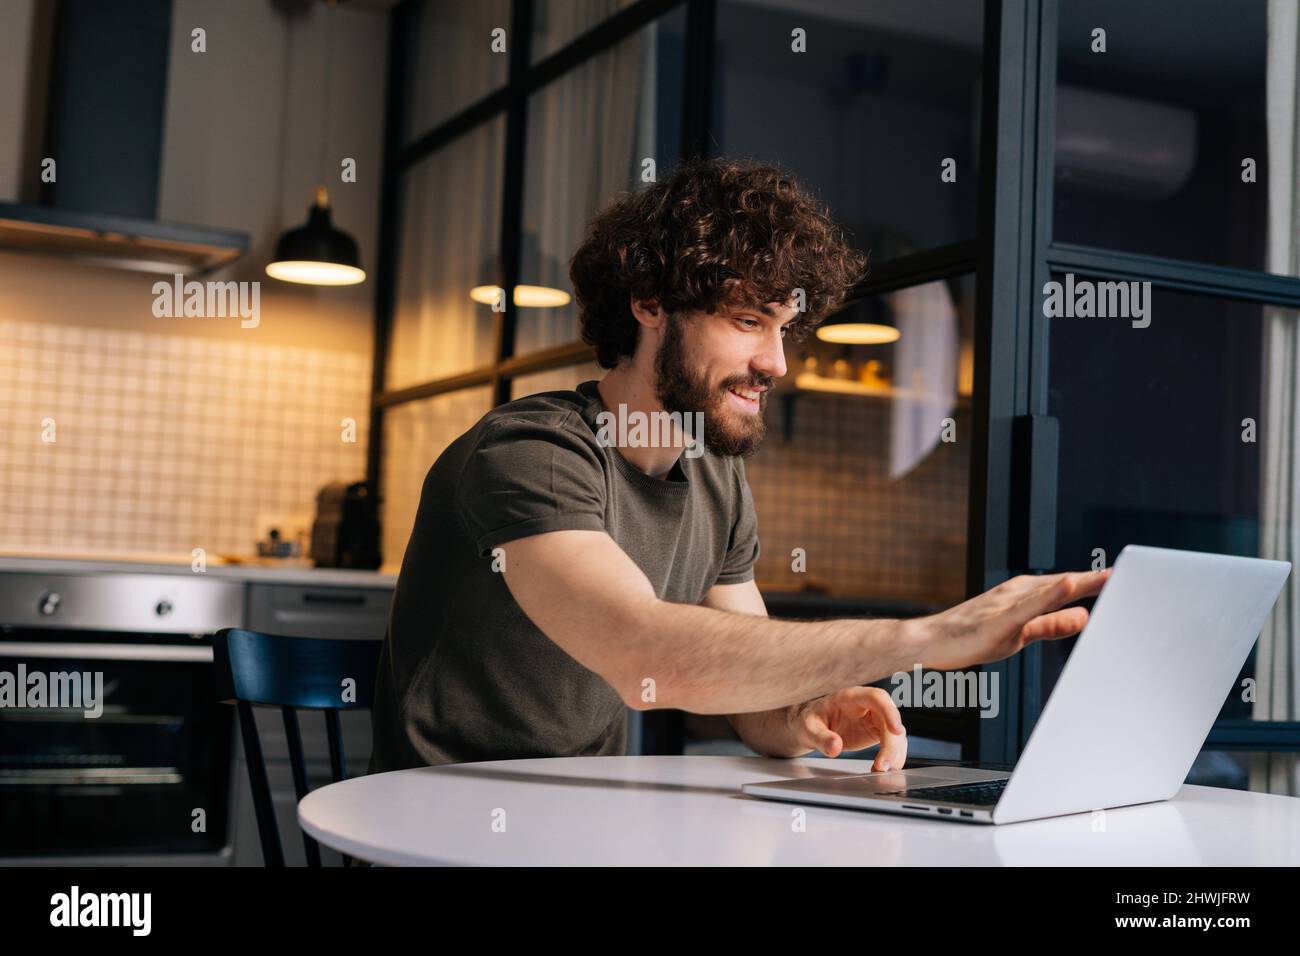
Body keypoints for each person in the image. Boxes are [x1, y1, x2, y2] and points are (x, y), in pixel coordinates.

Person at [367, 157, 1108, 775]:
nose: (776, 363)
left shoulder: (714, 476)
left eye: (785, 328)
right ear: (650, 302)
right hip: (439, 828)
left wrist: (806, 712)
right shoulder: (534, 453)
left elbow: (746, 698)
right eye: (749, 321)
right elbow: (643, 650)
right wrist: (927, 639)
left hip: (578, 823)